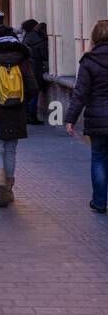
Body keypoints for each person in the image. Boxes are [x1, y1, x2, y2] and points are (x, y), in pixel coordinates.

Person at [0, 25, 37, 207]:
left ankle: (0, 183)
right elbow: (33, 87)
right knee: (11, 149)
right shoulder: (23, 59)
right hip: (17, 111)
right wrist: (20, 101)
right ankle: (9, 188)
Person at [65, 19, 108, 214]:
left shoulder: (89, 61)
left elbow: (80, 93)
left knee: (99, 158)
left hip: (98, 117)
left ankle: (99, 202)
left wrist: (70, 118)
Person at [20, 18, 48, 123]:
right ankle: (33, 115)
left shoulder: (26, 38)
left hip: (25, 66)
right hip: (37, 67)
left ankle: (27, 114)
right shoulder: (40, 39)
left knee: (28, 91)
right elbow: (44, 55)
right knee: (35, 91)